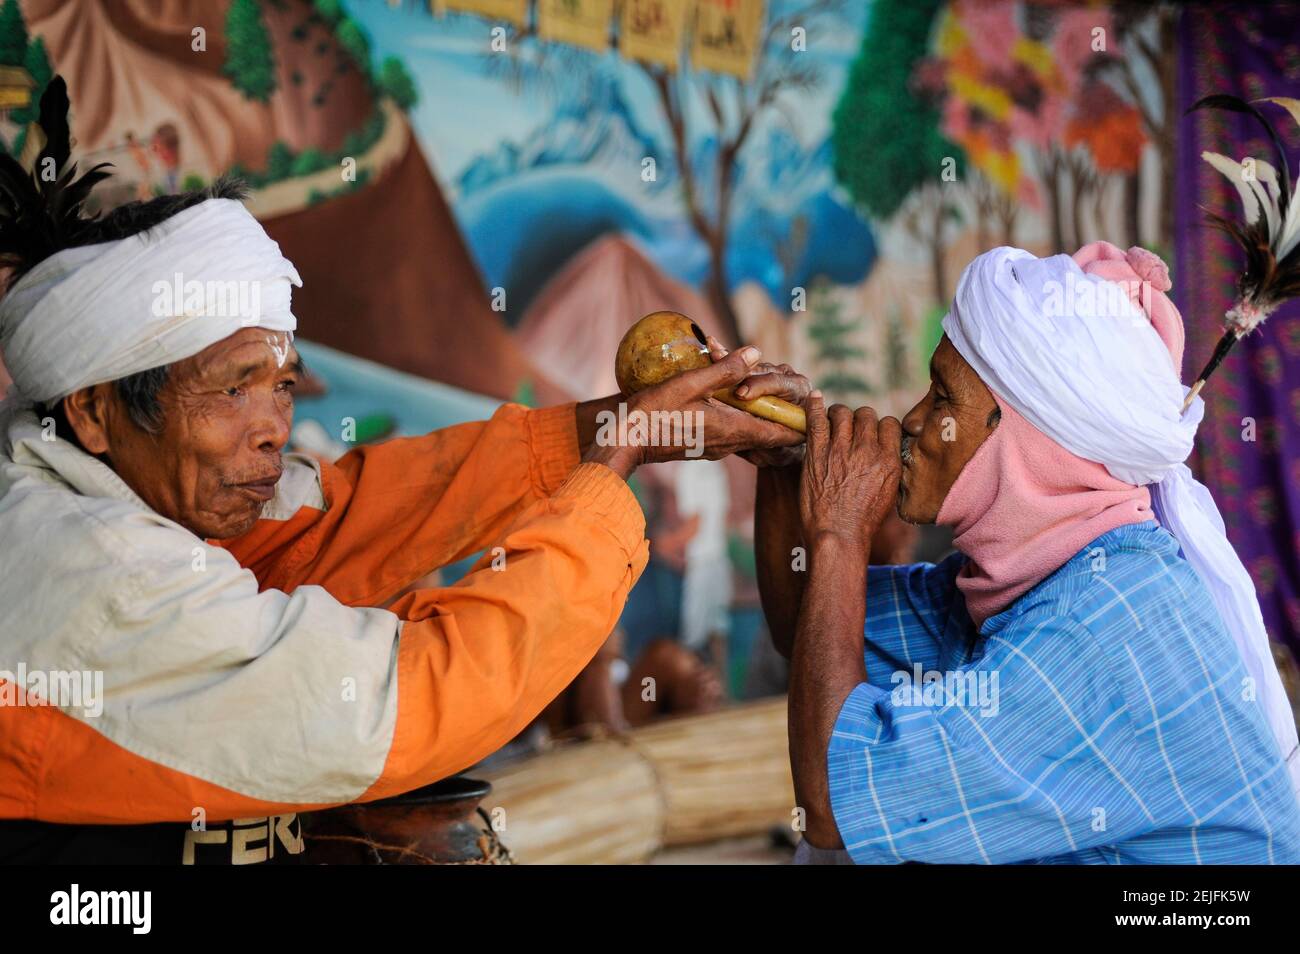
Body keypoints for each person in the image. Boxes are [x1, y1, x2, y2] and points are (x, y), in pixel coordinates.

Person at [0, 80, 805, 863]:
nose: (272, 430)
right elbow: (410, 702)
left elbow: (347, 515)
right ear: (95, 411)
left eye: (281, 386)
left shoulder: (125, 491)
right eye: (232, 388)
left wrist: (633, 427)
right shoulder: (91, 577)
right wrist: (613, 469)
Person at [754, 242, 1300, 864]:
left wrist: (839, 534)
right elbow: (804, 626)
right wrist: (783, 468)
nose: (910, 420)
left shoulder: (1105, 623)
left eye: (941, 400)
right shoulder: (1021, 579)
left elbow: (828, 809)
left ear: (1025, 438)